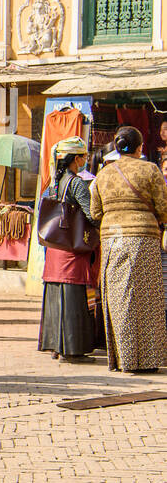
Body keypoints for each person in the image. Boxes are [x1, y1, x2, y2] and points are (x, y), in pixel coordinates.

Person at [90, 126, 167, 372]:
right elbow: (164, 207)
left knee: (119, 299)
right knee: (146, 300)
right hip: (143, 241)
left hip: (112, 240)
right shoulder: (150, 169)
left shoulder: (103, 174)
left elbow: (95, 213)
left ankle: (123, 359)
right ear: (140, 147)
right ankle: (147, 360)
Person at [38, 138, 98, 361]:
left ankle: (56, 346)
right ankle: (72, 350)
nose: (85, 160)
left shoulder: (54, 183)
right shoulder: (76, 183)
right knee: (73, 299)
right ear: (77, 159)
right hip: (73, 249)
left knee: (55, 296)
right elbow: (91, 214)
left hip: (55, 249)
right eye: (83, 156)